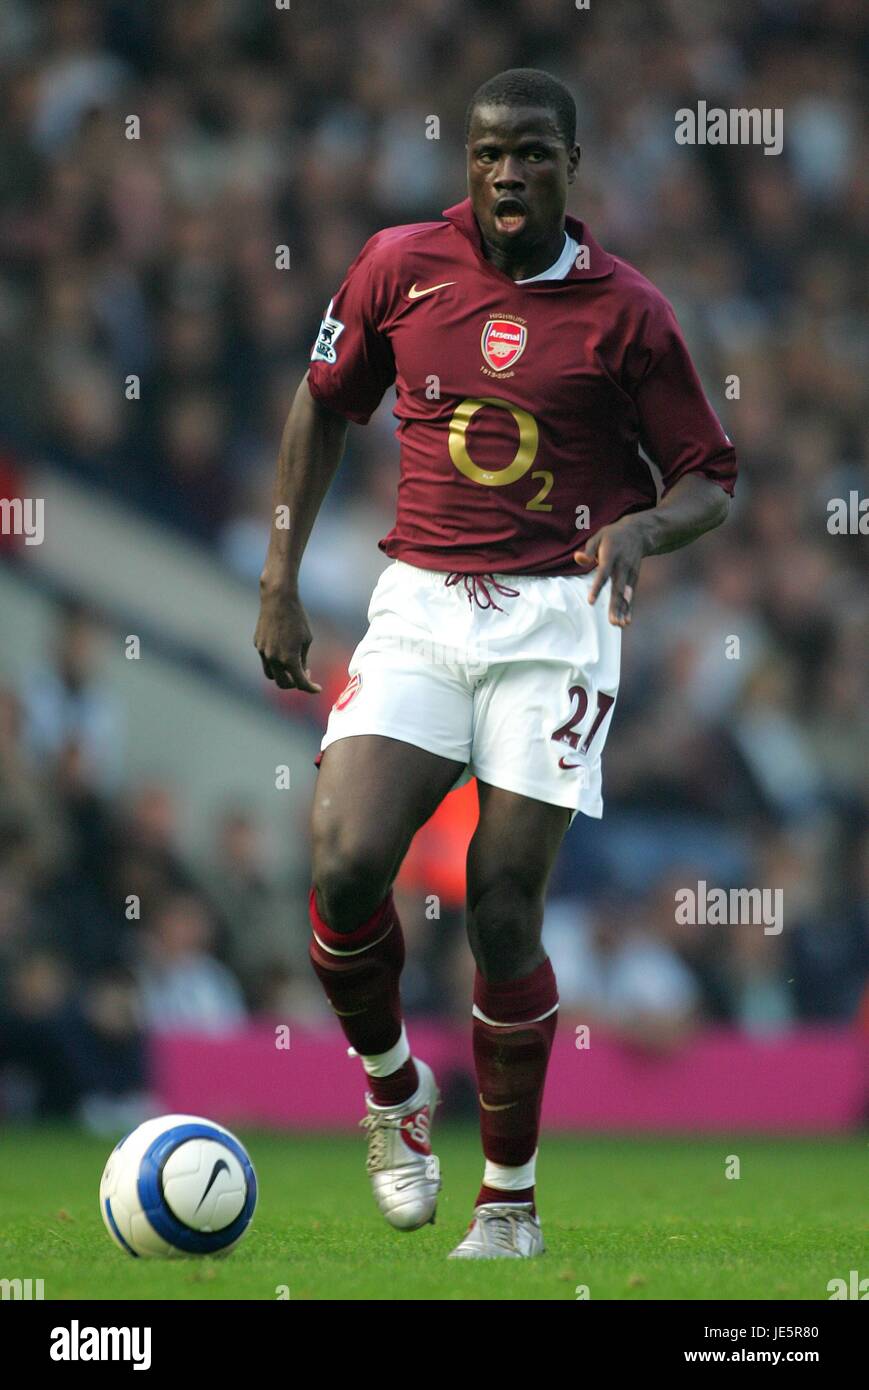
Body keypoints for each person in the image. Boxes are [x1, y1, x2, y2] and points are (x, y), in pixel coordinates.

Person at [254, 68, 736, 1259]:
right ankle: (390, 1091)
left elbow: (708, 479)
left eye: (527, 153)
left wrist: (641, 527)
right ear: (463, 162)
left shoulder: (629, 312)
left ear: (571, 165)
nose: (503, 174)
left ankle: (507, 1201)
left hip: (557, 620)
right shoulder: (395, 266)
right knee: (346, 858)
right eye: (483, 155)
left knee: (503, 901)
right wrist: (277, 579)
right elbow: (322, 405)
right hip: (420, 603)